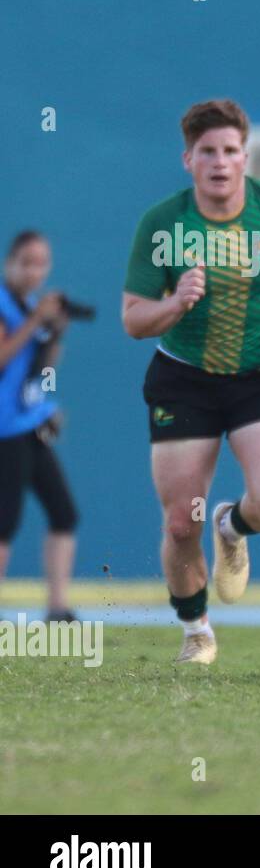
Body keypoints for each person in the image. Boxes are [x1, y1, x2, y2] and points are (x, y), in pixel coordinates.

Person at [121, 99, 260, 664]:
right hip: (184, 379)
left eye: (229, 151)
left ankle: (232, 524)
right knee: (178, 522)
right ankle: (196, 629)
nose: (220, 162)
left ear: (246, 157)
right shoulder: (163, 223)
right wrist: (175, 303)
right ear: (188, 160)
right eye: (207, 152)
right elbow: (132, 319)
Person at [0, 231, 79, 621]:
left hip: (28, 424)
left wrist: (55, 333)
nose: (34, 271)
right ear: (9, 262)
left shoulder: (31, 307)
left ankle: (57, 606)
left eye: (41, 263)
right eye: (26, 262)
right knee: (4, 522)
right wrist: (35, 322)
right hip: (3, 429)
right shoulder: (8, 306)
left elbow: (42, 372)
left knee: (63, 511)